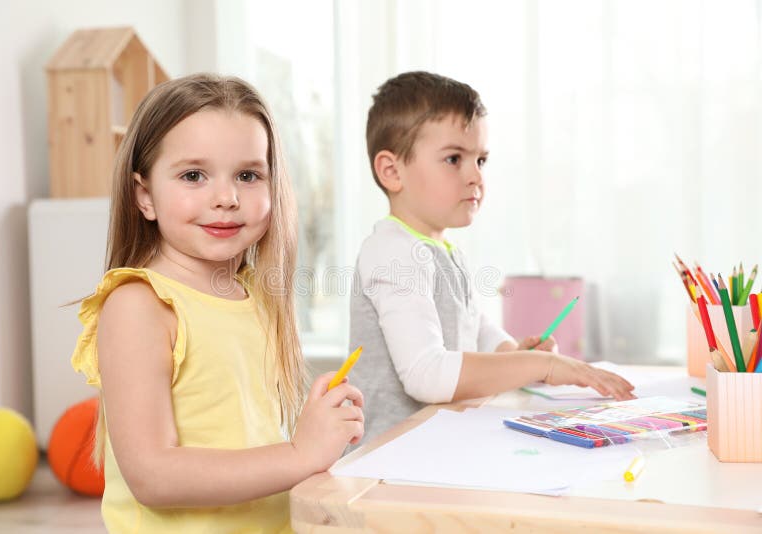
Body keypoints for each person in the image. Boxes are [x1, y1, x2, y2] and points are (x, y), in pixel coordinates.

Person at [71, 73, 363, 532]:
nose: (226, 198)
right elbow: (153, 476)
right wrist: (299, 453)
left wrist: (316, 433)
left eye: (248, 175)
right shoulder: (139, 306)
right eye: (193, 175)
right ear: (145, 196)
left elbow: (249, 442)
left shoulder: (257, 297)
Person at [349, 71, 634, 446]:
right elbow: (425, 374)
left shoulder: (444, 250)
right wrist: (541, 365)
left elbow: (473, 328)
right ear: (392, 171)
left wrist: (512, 353)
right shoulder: (392, 251)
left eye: (480, 160)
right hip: (384, 458)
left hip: (434, 449)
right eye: (454, 159)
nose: (475, 176)